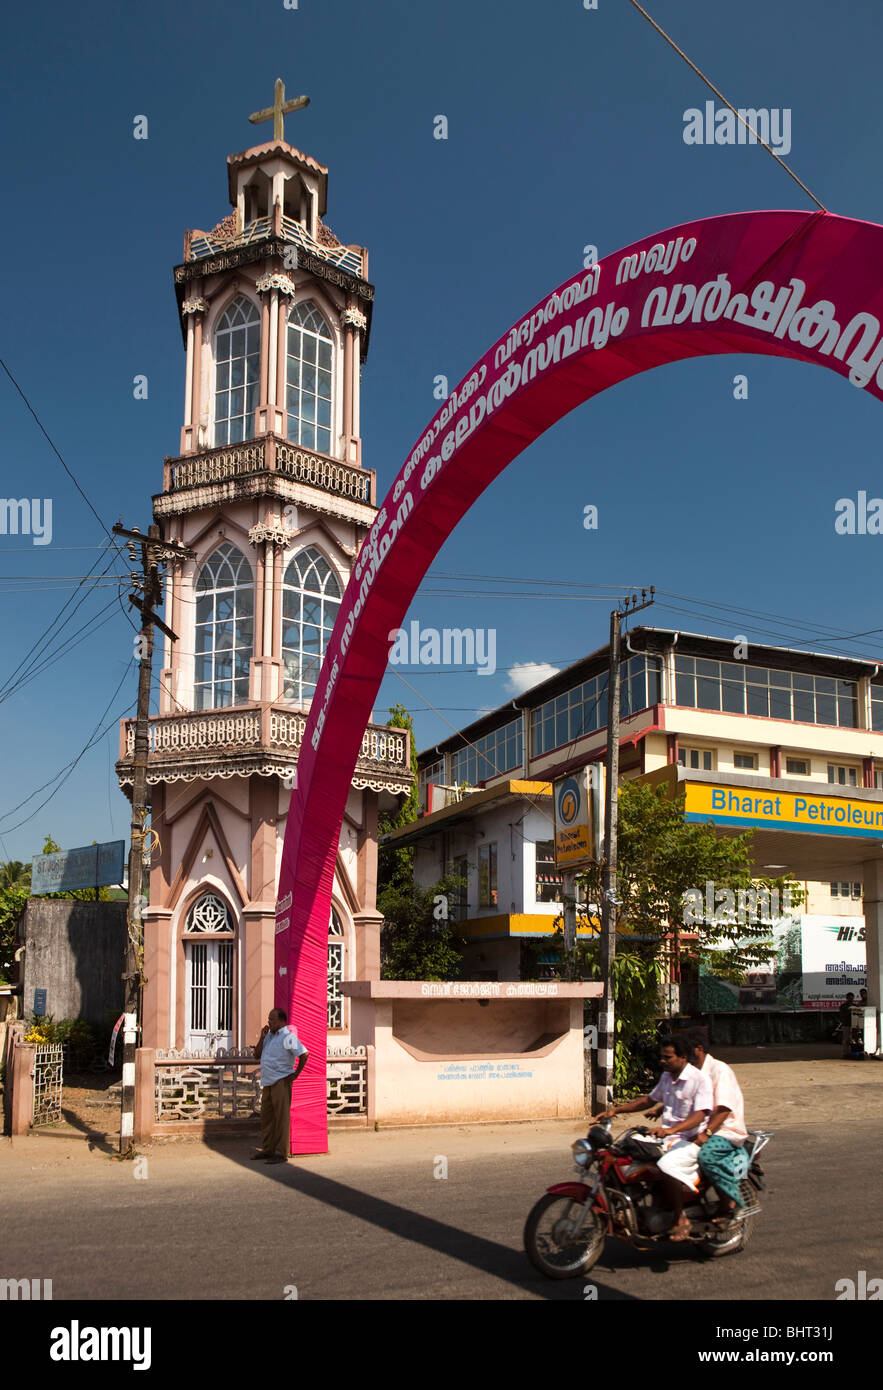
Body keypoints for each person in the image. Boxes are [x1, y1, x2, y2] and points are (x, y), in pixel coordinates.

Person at [593, 1035, 713, 1242]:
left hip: (689, 1141)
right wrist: (615, 1110)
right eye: (662, 1057)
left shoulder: (699, 1080)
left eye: (668, 1057)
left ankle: (680, 1218)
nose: (662, 1061)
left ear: (683, 1057)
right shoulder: (667, 1076)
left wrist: (671, 1130)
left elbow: (701, 1114)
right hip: (666, 1138)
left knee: (666, 1165)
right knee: (620, 1151)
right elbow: (648, 1100)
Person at [681, 1027, 749, 1224]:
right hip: (699, 1126)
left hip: (725, 1129)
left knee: (706, 1157)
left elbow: (724, 1109)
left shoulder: (719, 1070)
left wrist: (707, 1133)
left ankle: (729, 1202)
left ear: (699, 1049)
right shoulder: (692, 1072)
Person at [252, 1008, 308, 1163]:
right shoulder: (269, 1036)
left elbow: (304, 1054)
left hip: (281, 1080)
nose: (269, 1022)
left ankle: (281, 1152)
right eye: (269, 1019)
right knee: (267, 1117)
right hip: (268, 1081)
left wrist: (296, 1074)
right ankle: (268, 1149)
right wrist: (262, 1037)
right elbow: (256, 1055)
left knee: (281, 1117)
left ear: (281, 1021)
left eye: (272, 1019)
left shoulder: (288, 1037)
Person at [838, 992, 855, 1058]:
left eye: (852, 998)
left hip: (854, 1025)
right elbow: (841, 1015)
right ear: (847, 998)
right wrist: (849, 1011)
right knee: (846, 1039)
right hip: (846, 1024)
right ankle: (845, 1053)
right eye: (849, 998)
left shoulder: (855, 1006)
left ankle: (853, 1053)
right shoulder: (843, 1006)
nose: (851, 999)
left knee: (853, 1040)